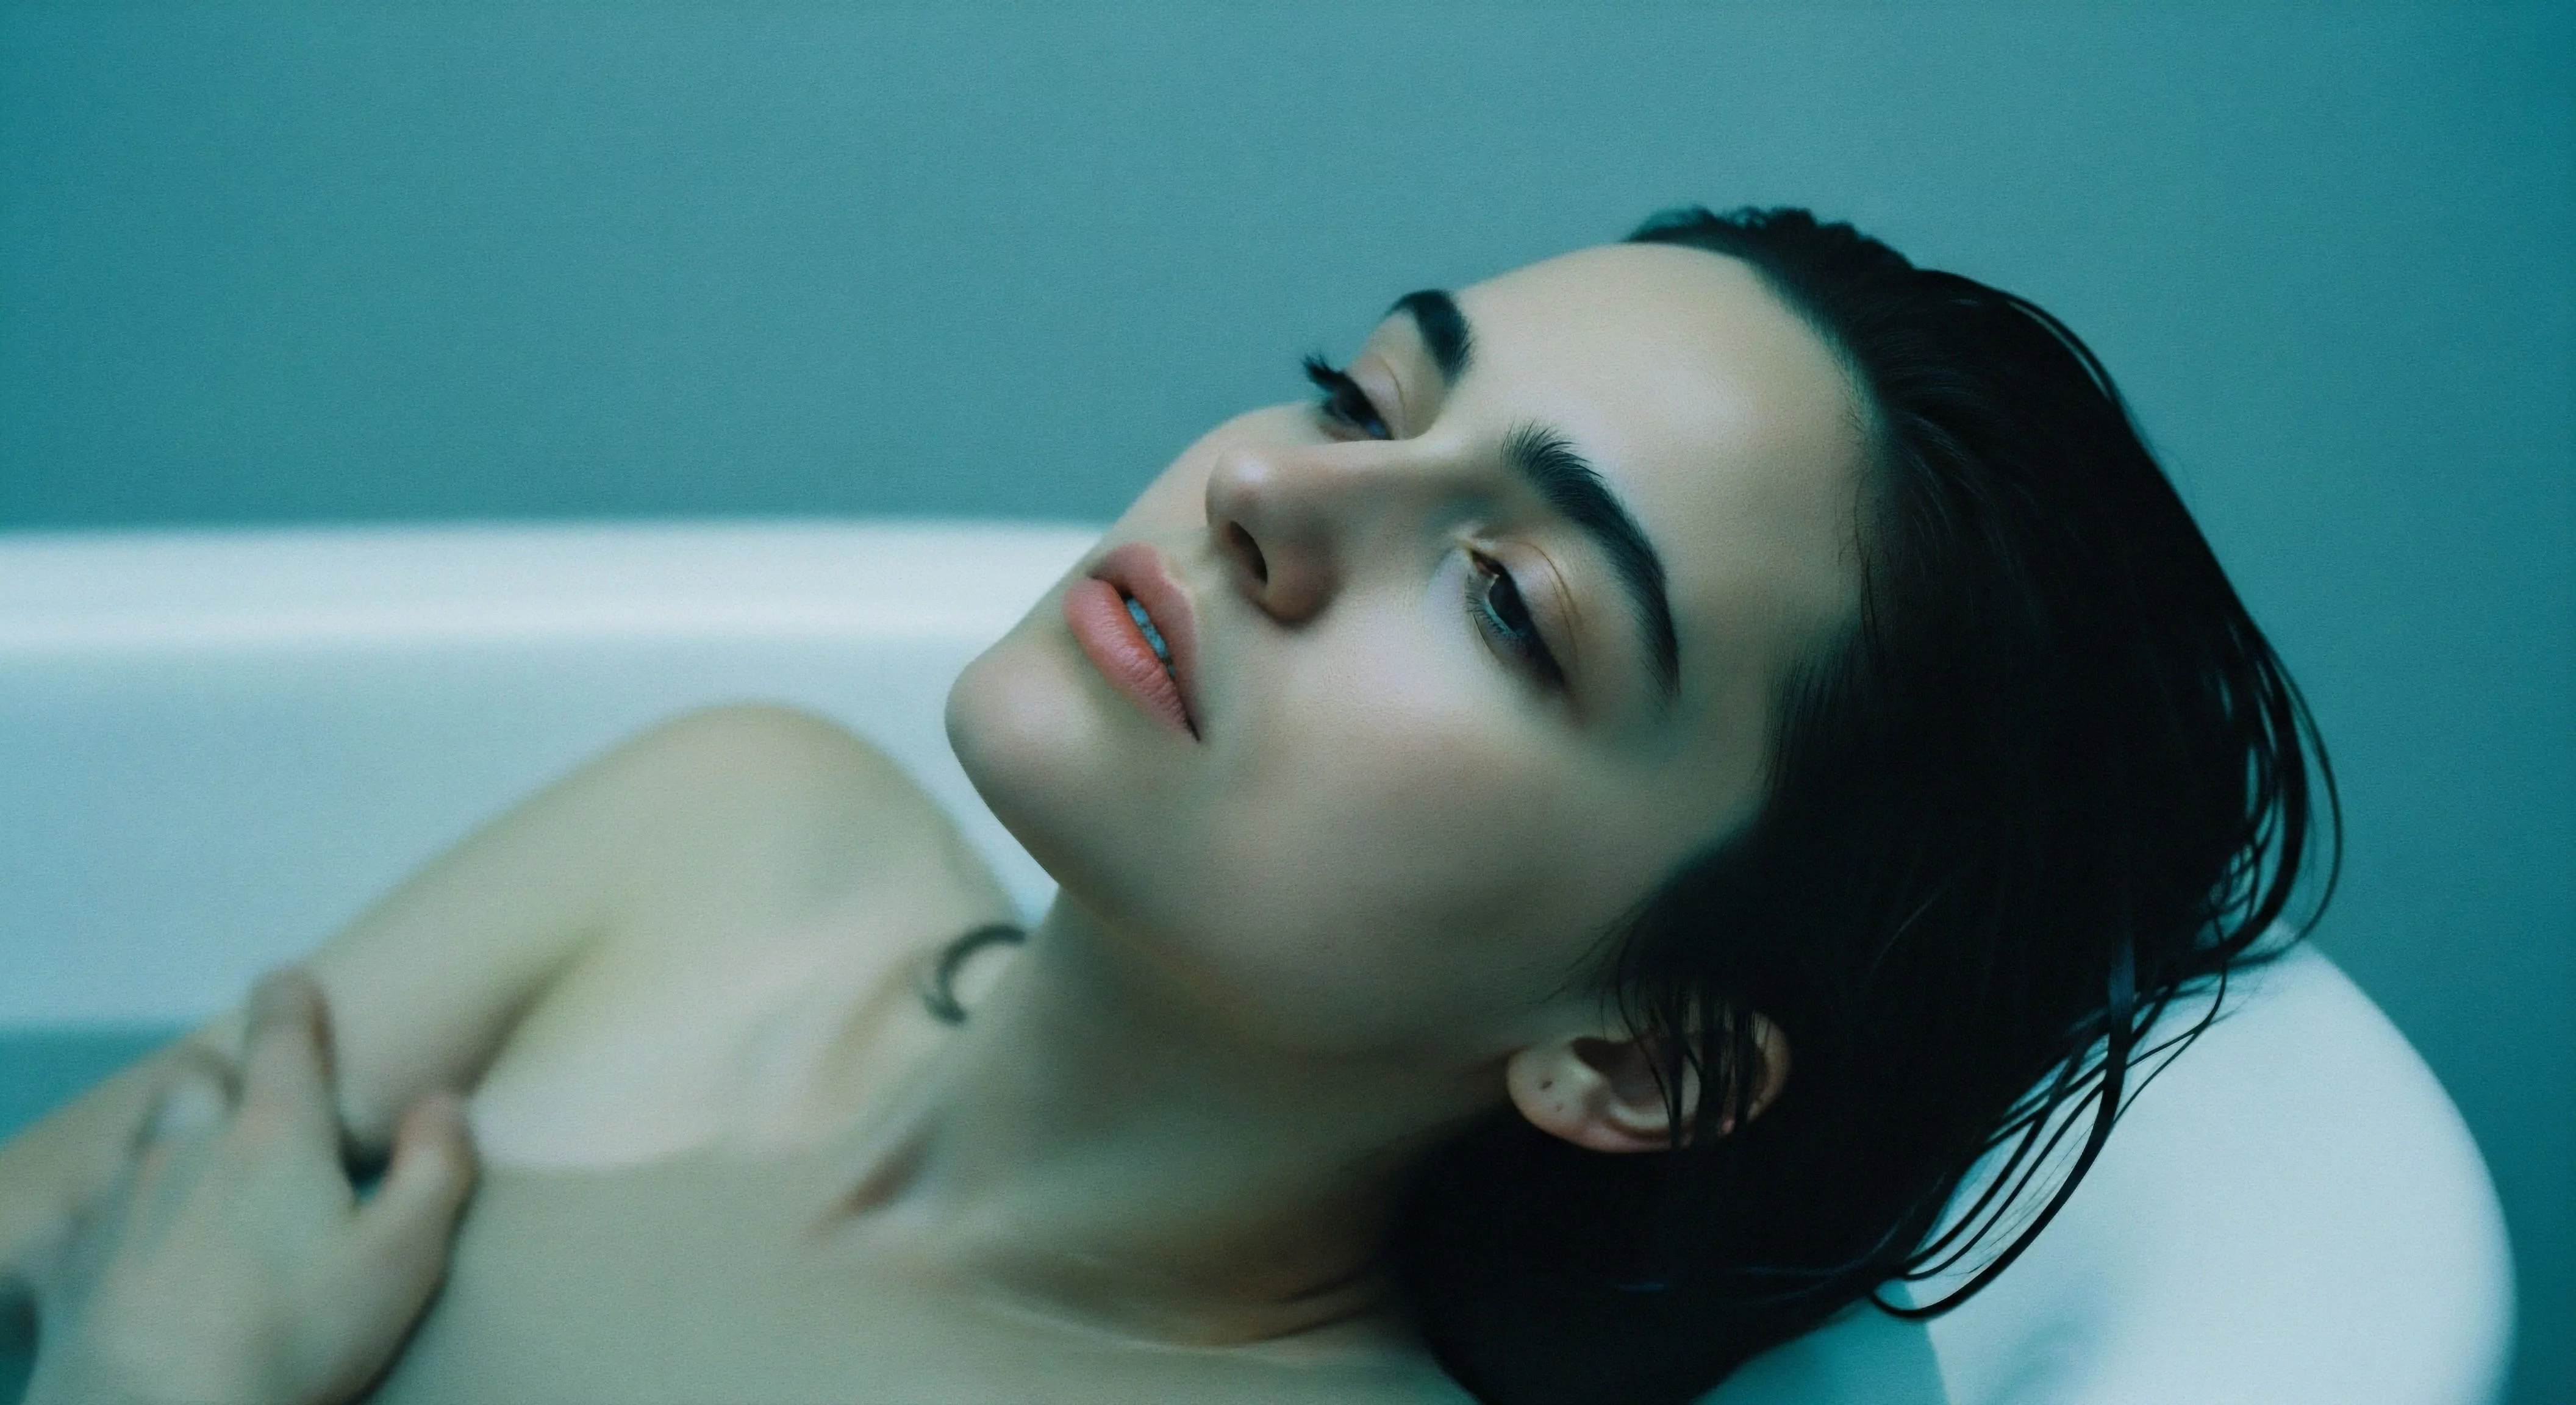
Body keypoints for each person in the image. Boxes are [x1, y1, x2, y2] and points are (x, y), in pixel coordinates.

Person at [0, 206, 2331, 1405]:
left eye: (1510, 602)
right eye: (1359, 391)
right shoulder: (725, 836)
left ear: (1642, 1050)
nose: (1265, 490)